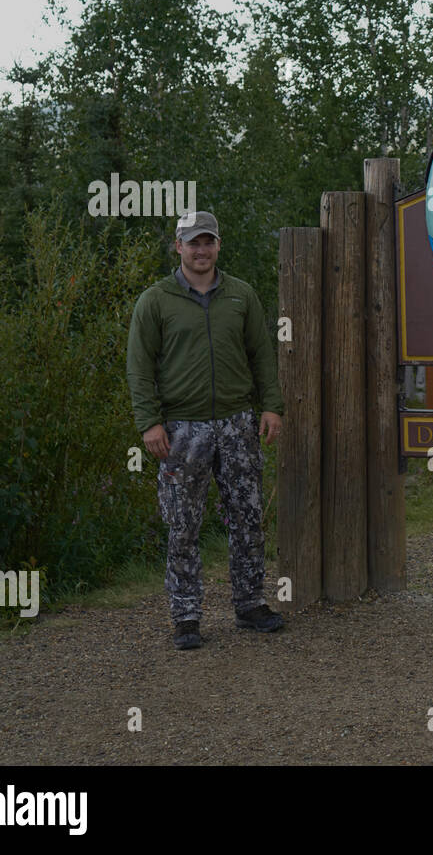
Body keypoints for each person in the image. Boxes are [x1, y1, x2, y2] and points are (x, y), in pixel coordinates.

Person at [126, 211, 286, 650]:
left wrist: (271, 406)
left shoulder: (241, 296)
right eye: (192, 242)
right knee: (183, 524)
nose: (201, 250)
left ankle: (250, 605)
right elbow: (139, 369)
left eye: (208, 241)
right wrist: (149, 423)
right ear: (177, 246)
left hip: (238, 423)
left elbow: (262, 356)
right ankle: (186, 616)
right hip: (181, 430)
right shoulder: (155, 301)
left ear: (218, 245)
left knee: (248, 518)